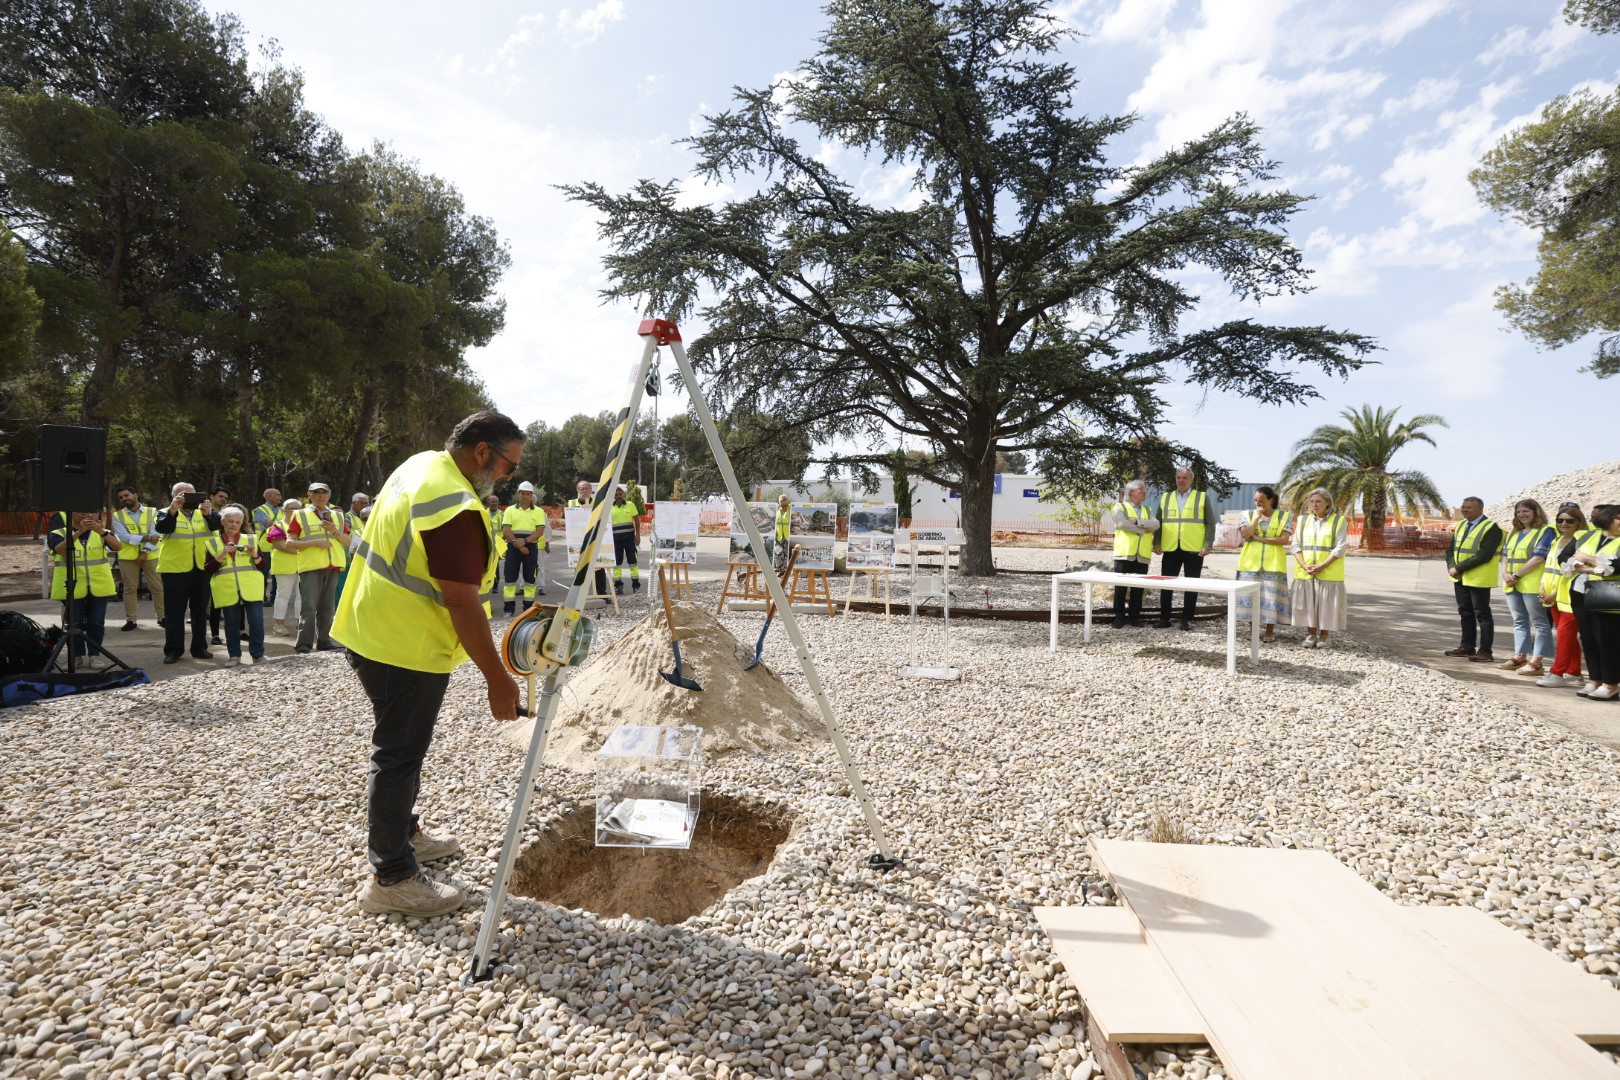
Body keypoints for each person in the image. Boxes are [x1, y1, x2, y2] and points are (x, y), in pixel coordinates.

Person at [334, 410, 523, 916]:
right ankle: (391, 876)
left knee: (401, 747)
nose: (510, 475)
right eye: (508, 464)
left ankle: (406, 834)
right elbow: (461, 601)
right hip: (404, 646)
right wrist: (498, 680)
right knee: (398, 754)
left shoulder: (424, 465)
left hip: (370, 626)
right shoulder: (456, 506)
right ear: (482, 452)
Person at [156, 482, 222, 664]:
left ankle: (199, 648)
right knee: (174, 613)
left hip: (201, 568)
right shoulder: (164, 512)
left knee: (200, 611)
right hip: (175, 569)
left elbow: (219, 527)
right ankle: (173, 650)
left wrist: (209, 513)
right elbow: (163, 528)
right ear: (175, 496)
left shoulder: (206, 513)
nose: (190, 499)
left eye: (194, 495)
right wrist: (173, 510)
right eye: (184, 495)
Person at [286, 482, 349, 654]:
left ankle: (324, 641)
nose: (320, 495)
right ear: (309, 495)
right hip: (311, 566)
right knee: (309, 607)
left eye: (324, 492)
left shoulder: (338, 516)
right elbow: (289, 543)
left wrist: (335, 531)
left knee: (327, 608)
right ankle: (303, 645)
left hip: (333, 566)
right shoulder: (300, 515)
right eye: (316, 492)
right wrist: (315, 543)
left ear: (329, 495)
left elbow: (349, 542)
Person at [49, 509, 121, 656]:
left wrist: (102, 532)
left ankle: (95, 656)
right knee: (75, 624)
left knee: (96, 623)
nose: (84, 514)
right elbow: (59, 549)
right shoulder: (59, 533)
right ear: (70, 514)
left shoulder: (101, 532)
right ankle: (77, 657)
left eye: (87, 511)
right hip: (72, 586)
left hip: (98, 585)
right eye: (79, 511)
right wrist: (78, 532)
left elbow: (118, 547)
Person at [1152, 468, 1216, 630]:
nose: (1181, 480)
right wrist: (1157, 542)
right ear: (1175, 479)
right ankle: (1164, 618)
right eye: (1179, 477)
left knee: (1191, 585)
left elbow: (1210, 523)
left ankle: (1187, 619)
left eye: (1185, 478)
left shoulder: (1201, 497)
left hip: (1194, 549)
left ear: (1191, 481)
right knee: (1166, 585)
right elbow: (1159, 522)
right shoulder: (1166, 497)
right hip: (1171, 548)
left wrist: (1208, 545)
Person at [1498, 499, 1556, 676]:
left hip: (1531, 583)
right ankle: (1520, 656)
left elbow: (1539, 558)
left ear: (1536, 512)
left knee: (1539, 622)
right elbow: (1505, 555)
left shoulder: (1545, 532)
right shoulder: (1514, 533)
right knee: (1519, 621)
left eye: (1525, 511)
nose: (1521, 515)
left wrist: (1516, 576)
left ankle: (1537, 661)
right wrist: (1505, 573)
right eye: (1518, 512)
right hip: (1512, 583)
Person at [1444, 496, 1504, 662]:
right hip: (1459, 577)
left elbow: (1484, 555)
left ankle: (1485, 651)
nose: (1464, 510)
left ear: (1480, 509)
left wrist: (1459, 568)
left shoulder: (1492, 528)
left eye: (1469, 507)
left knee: (1482, 615)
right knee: (1465, 613)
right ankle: (1467, 647)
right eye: (1463, 507)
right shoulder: (1462, 525)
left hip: (1479, 579)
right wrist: (1451, 567)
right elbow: (1451, 550)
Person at [204, 507, 266, 665]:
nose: (234, 525)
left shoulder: (251, 539)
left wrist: (254, 555)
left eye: (238, 522)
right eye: (231, 521)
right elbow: (208, 568)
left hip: (251, 587)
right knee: (231, 623)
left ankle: (258, 655)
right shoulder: (213, 543)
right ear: (222, 522)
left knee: (256, 621)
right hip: (227, 588)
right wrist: (222, 554)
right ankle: (234, 656)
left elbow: (263, 565)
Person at [1571, 504, 1620, 701]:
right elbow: (1568, 557)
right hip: (1582, 592)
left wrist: (1586, 559)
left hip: (1609, 596)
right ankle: (1595, 679)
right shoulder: (1591, 536)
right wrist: (1588, 566)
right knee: (1588, 640)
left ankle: (1611, 683)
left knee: (1607, 641)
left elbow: (1615, 567)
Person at [1537, 504, 1589, 688]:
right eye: (1560, 520)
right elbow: (1549, 567)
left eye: (1569, 520)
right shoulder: (1556, 541)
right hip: (1552, 596)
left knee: (1564, 636)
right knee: (1567, 636)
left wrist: (1554, 593)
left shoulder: (1582, 542)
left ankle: (1557, 673)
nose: (1564, 523)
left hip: (1569, 596)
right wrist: (1543, 588)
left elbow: (1574, 573)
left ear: (1579, 522)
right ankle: (1574, 673)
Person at [1289, 487, 1347, 648]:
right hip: (1306, 571)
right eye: (1312, 501)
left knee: (1326, 605)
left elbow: (1340, 548)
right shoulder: (1303, 520)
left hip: (1328, 572)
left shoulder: (1339, 521)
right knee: (1309, 604)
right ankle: (1311, 634)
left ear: (1327, 503)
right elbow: (1295, 545)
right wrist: (1303, 565)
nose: (1314, 504)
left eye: (1318, 501)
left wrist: (1322, 565)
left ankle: (1325, 636)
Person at [1235, 485, 1293, 643]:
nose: (1258, 503)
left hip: (1273, 564)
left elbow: (1284, 539)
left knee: (1271, 598)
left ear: (1271, 500)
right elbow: (1245, 534)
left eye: (1261, 500)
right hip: (1249, 564)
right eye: (1255, 500)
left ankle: (1269, 631)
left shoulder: (1284, 516)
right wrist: (1256, 519)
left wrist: (1260, 538)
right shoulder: (1246, 515)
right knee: (1251, 598)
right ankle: (1253, 630)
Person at [110, 485, 164, 632]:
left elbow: (156, 534)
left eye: (126, 495)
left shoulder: (153, 512)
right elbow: (123, 536)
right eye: (121, 497)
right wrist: (146, 538)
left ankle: (162, 617)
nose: (124, 499)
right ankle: (131, 620)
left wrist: (145, 550)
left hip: (151, 554)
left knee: (157, 587)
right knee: (129, 589)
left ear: (136, 495)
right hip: (127, 556)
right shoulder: (117, 515)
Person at [1108, 480, 1158, 627]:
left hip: (1142, 554)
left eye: (1145, 489)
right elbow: (1122, 524)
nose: (1145, 491)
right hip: (1124, 553)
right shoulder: (1119, 506)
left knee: (1138, 587)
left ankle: (1134, 617)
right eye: (1141, 489)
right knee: (1121, 587)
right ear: (1131, 493)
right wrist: (1143, 529)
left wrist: (1137, 522)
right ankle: (1119, 617)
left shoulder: (1148, 510)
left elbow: (1156, 524)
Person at [500, 480, 547, 614]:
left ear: (531, 495)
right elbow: (506, 530)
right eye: (523, 493)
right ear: (518, 494)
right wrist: (519, 545)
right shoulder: (509, 510)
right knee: (509, 578)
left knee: (530, 579)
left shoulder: (538, 511)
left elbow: (539, 531)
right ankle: (509, 610)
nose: (525, 496)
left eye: (528, 494)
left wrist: (525, 541)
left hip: (531, 548)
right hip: (513, 547)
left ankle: (528, 609)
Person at [265, 497, 304, 636]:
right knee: (283, 595)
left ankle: (300, 624)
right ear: (284, 510)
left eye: (298, 508)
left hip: (304, 565)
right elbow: (281, 545)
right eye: (291, 508)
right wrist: (305, 549)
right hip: (284, 566)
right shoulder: (278, 526)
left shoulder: (304, 525)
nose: (294, 511)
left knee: (302, 596)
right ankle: (279, 625)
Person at [568, 480, 611, 597]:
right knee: (579, 567)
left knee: (599, 567)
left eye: (587, 489)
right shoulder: (571, 503)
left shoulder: (598, 503)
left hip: (595, 539)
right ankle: (578, 595)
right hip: (578, 541)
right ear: (578, 491)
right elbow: (566, 521)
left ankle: (602, 593)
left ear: (591, 490)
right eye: (582, 489)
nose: (584, 491)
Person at [333, 492, 371, 609]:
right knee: (343, 588)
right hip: (348, 557)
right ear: (353, 503)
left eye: (366, 503)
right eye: (362, 503)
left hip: (355, 558)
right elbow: (345, 536)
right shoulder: (348, 517)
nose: (364, 505)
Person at [252, 487, 282, 609]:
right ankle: (261, 597)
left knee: (277, 574)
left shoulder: (282, 510)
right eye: (277, 494)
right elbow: (267, 527)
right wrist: (280, 525)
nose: (280, 497)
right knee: (262, 574)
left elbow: (287, 526)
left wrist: (274, 524)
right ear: (269, 496)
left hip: (279, 546)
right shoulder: (259, 510)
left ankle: (274, 598)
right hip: (264, 547)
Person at [610, 485, 642, 594]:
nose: (618, 496)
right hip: (615, 541)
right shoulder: (609, 507)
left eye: (620, 494)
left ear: (623, 494)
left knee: (633, 563)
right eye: (616, 495)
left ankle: (636, 585)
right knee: (617, 564)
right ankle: (618, 586)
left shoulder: (630, 505)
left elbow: (637, 521)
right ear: (613, 496)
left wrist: (638, 536)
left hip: (630, 540)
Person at [773, 494, 792, 573]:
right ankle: (781, 570)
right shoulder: (776, 509)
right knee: (778, 553)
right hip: (779, 536)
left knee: (788, 554)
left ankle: (787, 571)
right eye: (782, 505)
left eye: (785, 505)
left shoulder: (792, 508)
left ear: (788, 503)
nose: (784, 507)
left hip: (788, 536)